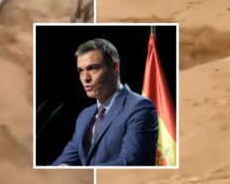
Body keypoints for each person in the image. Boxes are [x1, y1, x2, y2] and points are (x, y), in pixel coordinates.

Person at [51, 38, 158, 166]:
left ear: (114, 68)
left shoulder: (140, 108)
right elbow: (64, 163)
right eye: (81, 70)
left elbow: (130, 163)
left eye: (93, 68)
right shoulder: (85, 115)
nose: (85, 78)